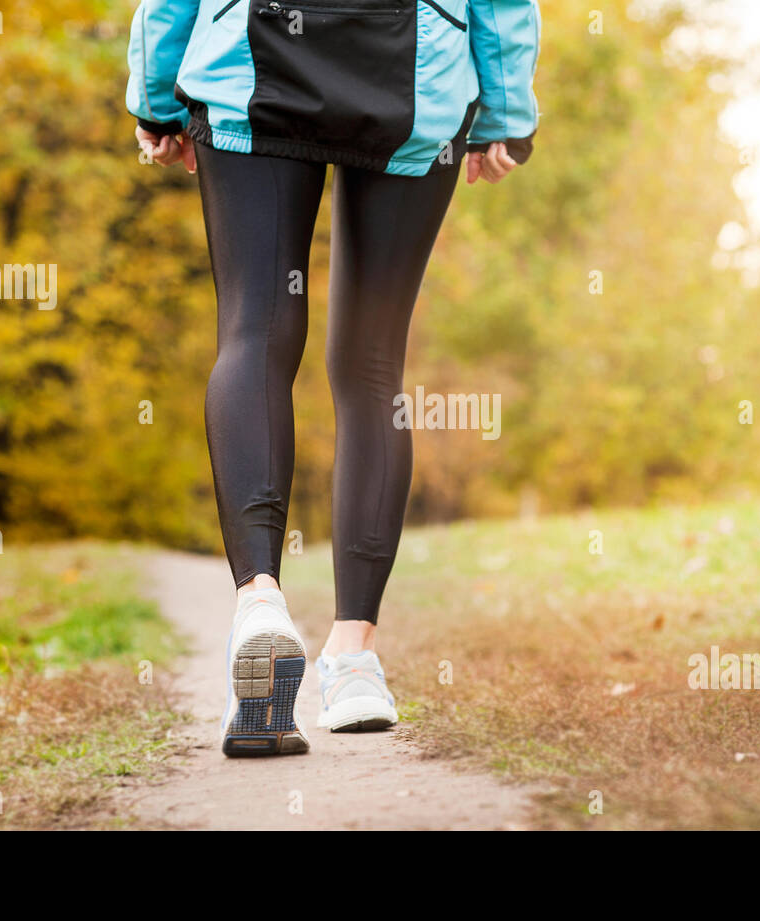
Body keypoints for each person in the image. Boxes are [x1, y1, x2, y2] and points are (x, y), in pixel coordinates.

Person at [126, 0, 539, 756]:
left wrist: (156, 97)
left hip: (254, 62)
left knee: (255, 329)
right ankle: (353, 658)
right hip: (412, 81)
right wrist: (505, 109)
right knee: (374, 365)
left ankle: (259, 599)